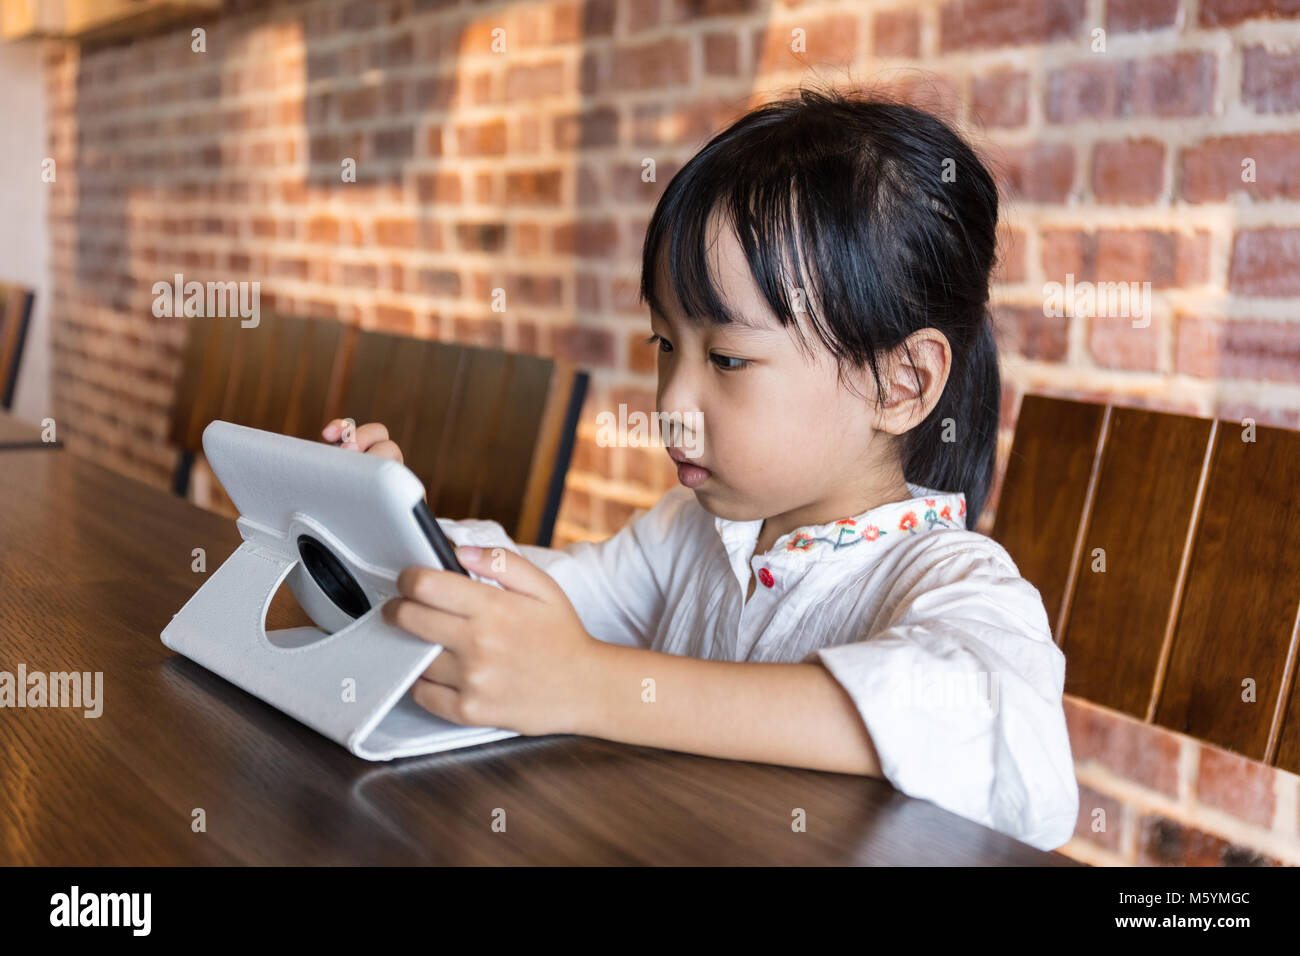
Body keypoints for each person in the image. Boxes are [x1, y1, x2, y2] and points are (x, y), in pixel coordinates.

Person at [321, 85, 1079, 853]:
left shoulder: (950, 580)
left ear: (901, 383)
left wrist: (588, 685)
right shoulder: (696, 535)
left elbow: (1000, 733)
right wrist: (388, 522)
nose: (674, 402)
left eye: (727, 358)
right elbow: (540, 607)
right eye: (665, 345)